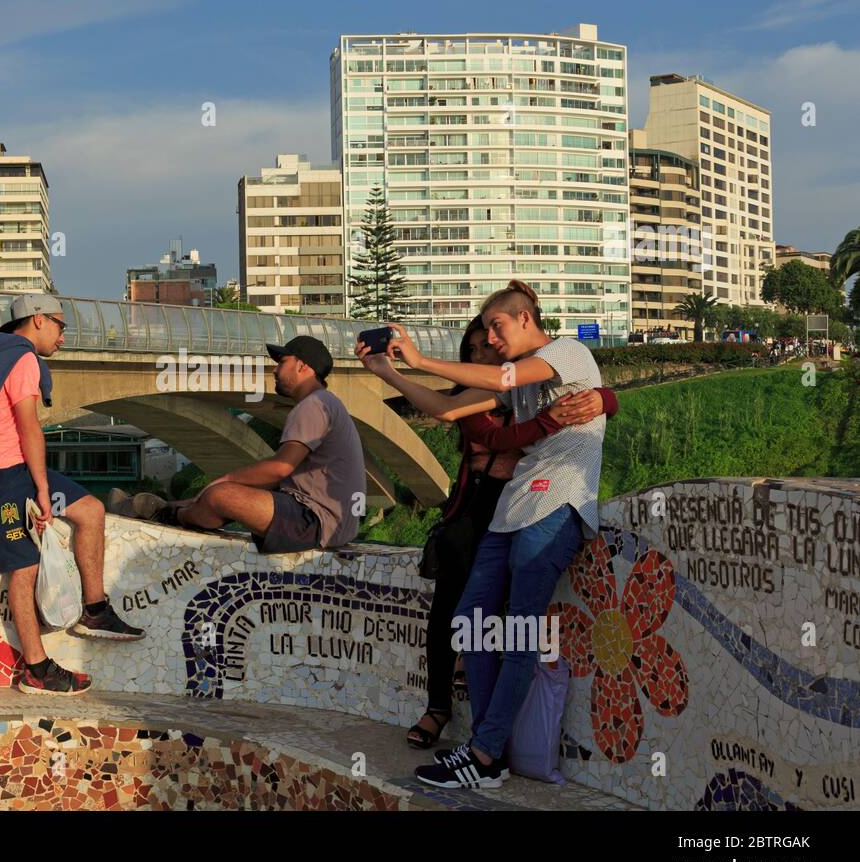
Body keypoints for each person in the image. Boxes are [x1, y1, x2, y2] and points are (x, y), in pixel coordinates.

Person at [358, 280, 605, 789]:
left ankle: (487, 756)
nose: (491, 337)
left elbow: (508, 373)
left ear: (526, 319)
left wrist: (422, 358)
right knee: (470, 620)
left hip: (557, 504)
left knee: (518, 632)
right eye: (486, 329)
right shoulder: (510, 383)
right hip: (510, 510)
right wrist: (388, 371)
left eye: (497, 326)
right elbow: (447, 409)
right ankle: (485, 747)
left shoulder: (567, 351)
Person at [405, 315, 619, 750]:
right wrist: (399, 368)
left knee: (516, 622)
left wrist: (603, 399)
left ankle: (486, 748)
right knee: (459, 612)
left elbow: (575, 392)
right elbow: (495, 434)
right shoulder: (487, 396)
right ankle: (449, 715)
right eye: (477, 351)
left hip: (535, 503)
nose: (489, 350)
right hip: (483, 508)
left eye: (493, 342)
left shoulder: (537, 374)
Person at [0, 293, 145, 696]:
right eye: (60, 325)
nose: (64, 336)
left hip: (12, 470)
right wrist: (44, 490)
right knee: (25, 566)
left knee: (90, 510)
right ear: (36, 320)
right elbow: (29, 428)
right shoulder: (22, 358)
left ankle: (96, 610)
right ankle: (36, 668)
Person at [110, 335, 367, 554]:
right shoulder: (325, 402)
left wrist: (224, 481)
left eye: (282, 362)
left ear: (302, 366)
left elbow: (280, 468)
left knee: (221, 495)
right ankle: (158, 508)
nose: (275, 370)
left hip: (315, 522)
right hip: (327, 521)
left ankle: (165, 515)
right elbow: (276, 477)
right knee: (220, 495)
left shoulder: (313, 405)